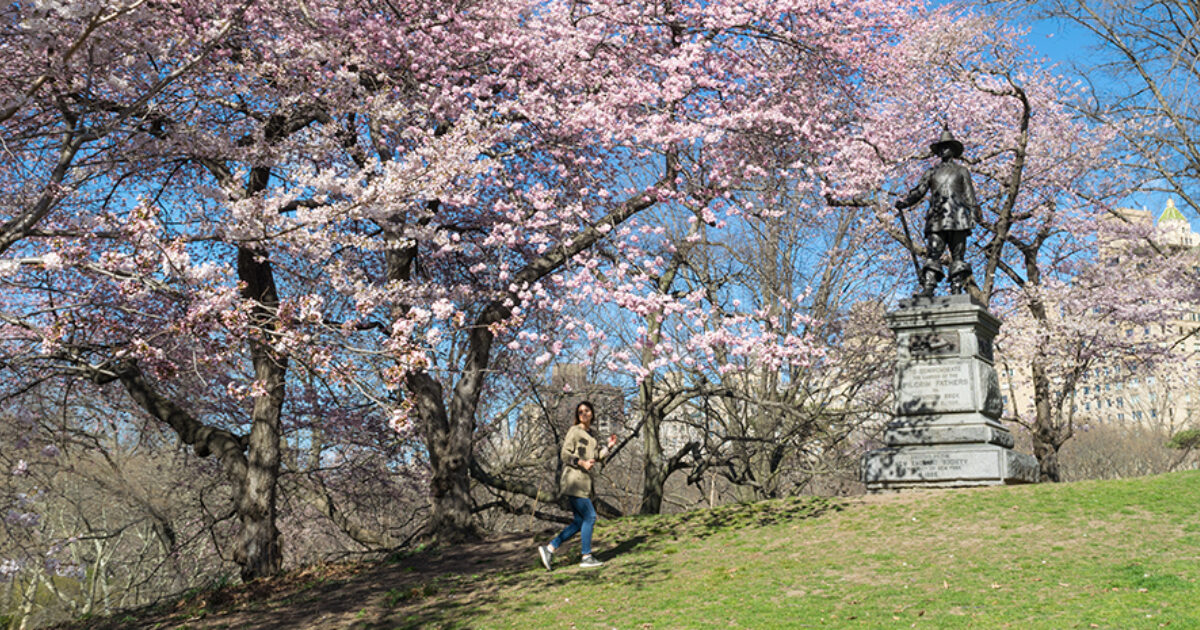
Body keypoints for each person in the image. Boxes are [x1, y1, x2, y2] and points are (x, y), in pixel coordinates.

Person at [894, 127, 984, 297]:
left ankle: (957, 287)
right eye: (941, 147)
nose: (944, 150)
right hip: (937, 216)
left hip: (958, 217)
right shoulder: (932, 172)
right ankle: (929, 286)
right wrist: (905, 202)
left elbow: (970, 195)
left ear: (953, 150)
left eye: (947, 147)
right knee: (933, 251)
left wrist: (974, 214)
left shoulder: (962, 171)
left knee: (958, 254)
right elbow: (919, 191)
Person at [538, 400, 617, 570]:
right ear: (577, 415)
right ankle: (586, 556)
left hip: (585, 483)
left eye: (587, 411)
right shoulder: (574, 431)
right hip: (574, 481)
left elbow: (598, 456)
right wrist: (581, 463)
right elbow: (565, 454)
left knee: (579, 522)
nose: (583, 414)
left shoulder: (593, 436)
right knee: (591, 517)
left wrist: (609, 447)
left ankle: (550, 548)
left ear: (592, 414)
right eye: (580, 412)